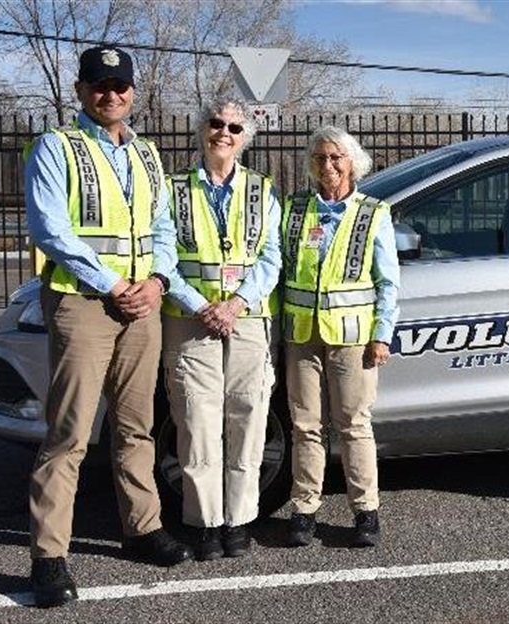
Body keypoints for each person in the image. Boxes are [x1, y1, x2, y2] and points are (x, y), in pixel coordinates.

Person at [24, 46, 191, 608]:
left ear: (133, 93)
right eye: (100, 85)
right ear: (80, 90)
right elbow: (51, 230)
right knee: (68, 434)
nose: (111, 94)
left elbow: (165, 227)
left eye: (120, 86)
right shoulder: (57, 147)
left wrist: (159, 282)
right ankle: (49, 556)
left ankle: (142, 528)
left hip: (141, 305)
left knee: (136, 426)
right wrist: (113, 284)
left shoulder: (147, 154)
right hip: (85, 304)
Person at [159, 99, 282, 561]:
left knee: (248, 417)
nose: (224, 133)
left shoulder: (261, 189)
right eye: (216, 123)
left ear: (244, 136)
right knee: (195, 420)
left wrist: (237, 303)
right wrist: (201, 305)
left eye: (234, 126)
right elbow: (162, 257)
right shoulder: (173, 189)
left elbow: (271, 258)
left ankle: (239, 519)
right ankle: (205, 523)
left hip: (246, 319)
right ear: (202, 130)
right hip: (190, 320)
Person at [281, 125, 400, 548]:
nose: (327, 165)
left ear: (352, 163)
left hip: (353, 337)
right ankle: (304, 509)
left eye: (336, 157)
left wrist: (382, 334)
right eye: (319, 158)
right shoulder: (294, 209)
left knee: (353, 424)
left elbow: (388, 282)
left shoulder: (372, 213)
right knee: (305, 425)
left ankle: (365, 511)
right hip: (301, 334)